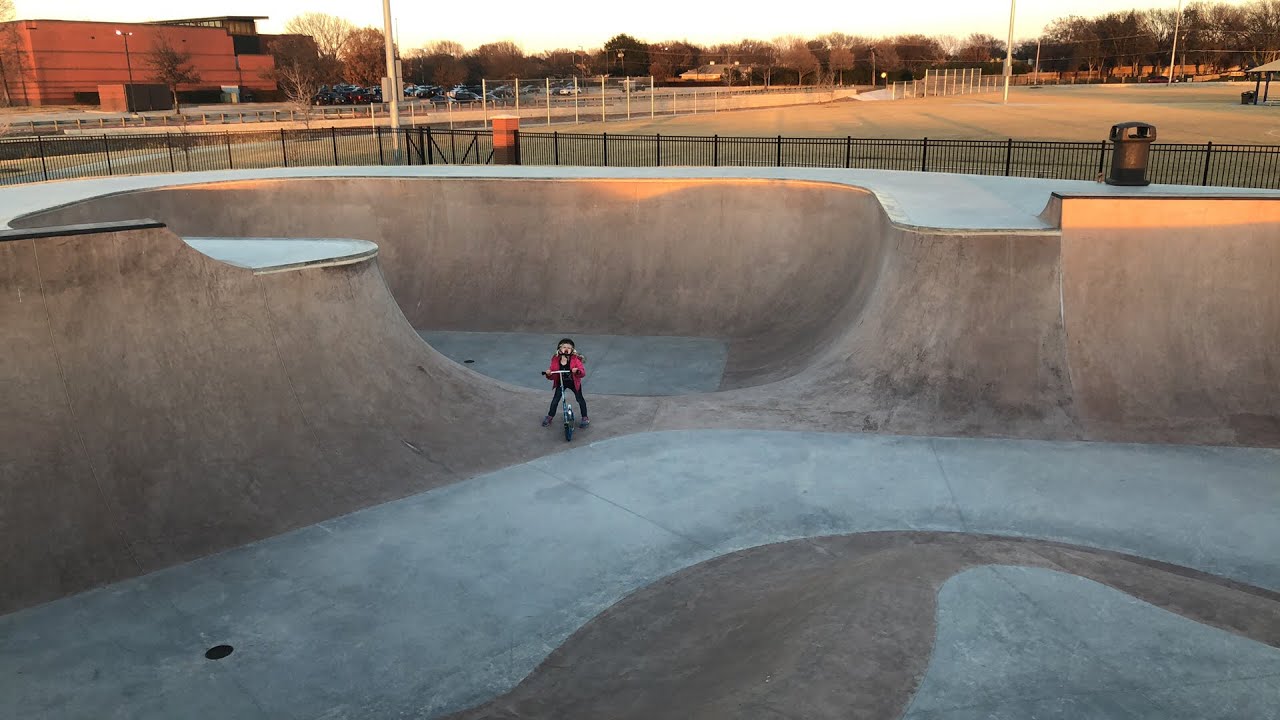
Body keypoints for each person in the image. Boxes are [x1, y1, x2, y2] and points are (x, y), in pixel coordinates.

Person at [542, 338, 588, 428]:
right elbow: (552, 374)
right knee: (556, 399)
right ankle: (550, 416)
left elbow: (582, 372)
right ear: (559, 349)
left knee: (580, 399)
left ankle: (585, 417)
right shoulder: (555, 359)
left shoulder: (575, 359)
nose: (566, 349)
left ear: (572, 350)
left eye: (569, 348)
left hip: (573, 382)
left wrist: (577, 371)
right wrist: (549, 373)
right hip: (561, 382)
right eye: (564, 347)